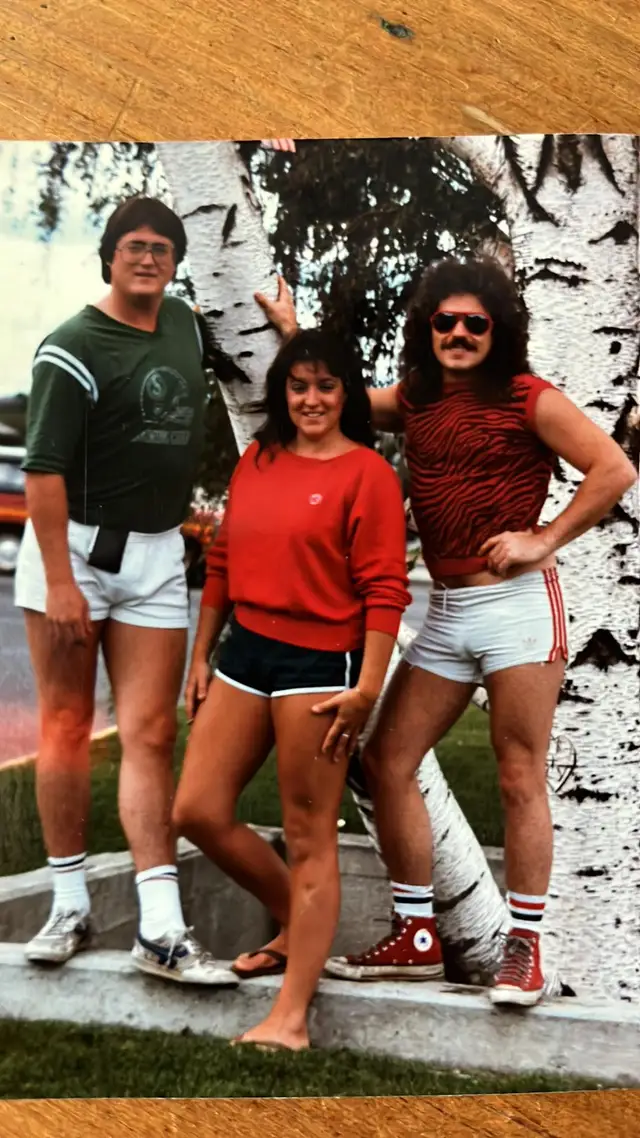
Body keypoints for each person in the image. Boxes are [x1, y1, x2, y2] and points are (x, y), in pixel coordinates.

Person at [256, 258, 637, 1007]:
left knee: (518, 771)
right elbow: (340, 405)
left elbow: (615, 469)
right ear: (427, 329)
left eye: (475, 323)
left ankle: (522, 951)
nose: (459, 334)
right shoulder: (418, 400)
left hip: (520, 607)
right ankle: (417, 933)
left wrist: (543, 538)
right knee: (387, 756)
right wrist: (296, 337)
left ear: (498, 332)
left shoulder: (530, 398)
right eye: (445, 322)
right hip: (449, 612)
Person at [14, 194, 237, 987]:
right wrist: (63, 583)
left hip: (154, 554)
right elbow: (41, 472)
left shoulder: (183, 325)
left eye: (163, 248)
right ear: (108, 255)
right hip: (71, 550)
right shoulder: (71, 346)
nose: (149, 258)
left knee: (151, 734)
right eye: (135, 246)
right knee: (68, 726)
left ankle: (162, 929)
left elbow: (250, 369)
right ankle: (70, 902)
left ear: (176, 262)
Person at [172, 328, 411, 1050]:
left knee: (311, 836)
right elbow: (219, 564)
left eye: (327, 385)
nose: (311, 398)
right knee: (197, 810)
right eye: (298, 385)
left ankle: (291, 1016)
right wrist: (199, 658)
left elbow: (384, 592)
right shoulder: (257, 460)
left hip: (321, 667)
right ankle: (298, 921)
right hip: (246, 653)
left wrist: (367, 689)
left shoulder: (367, 473)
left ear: (347, 394)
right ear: (282, 393)